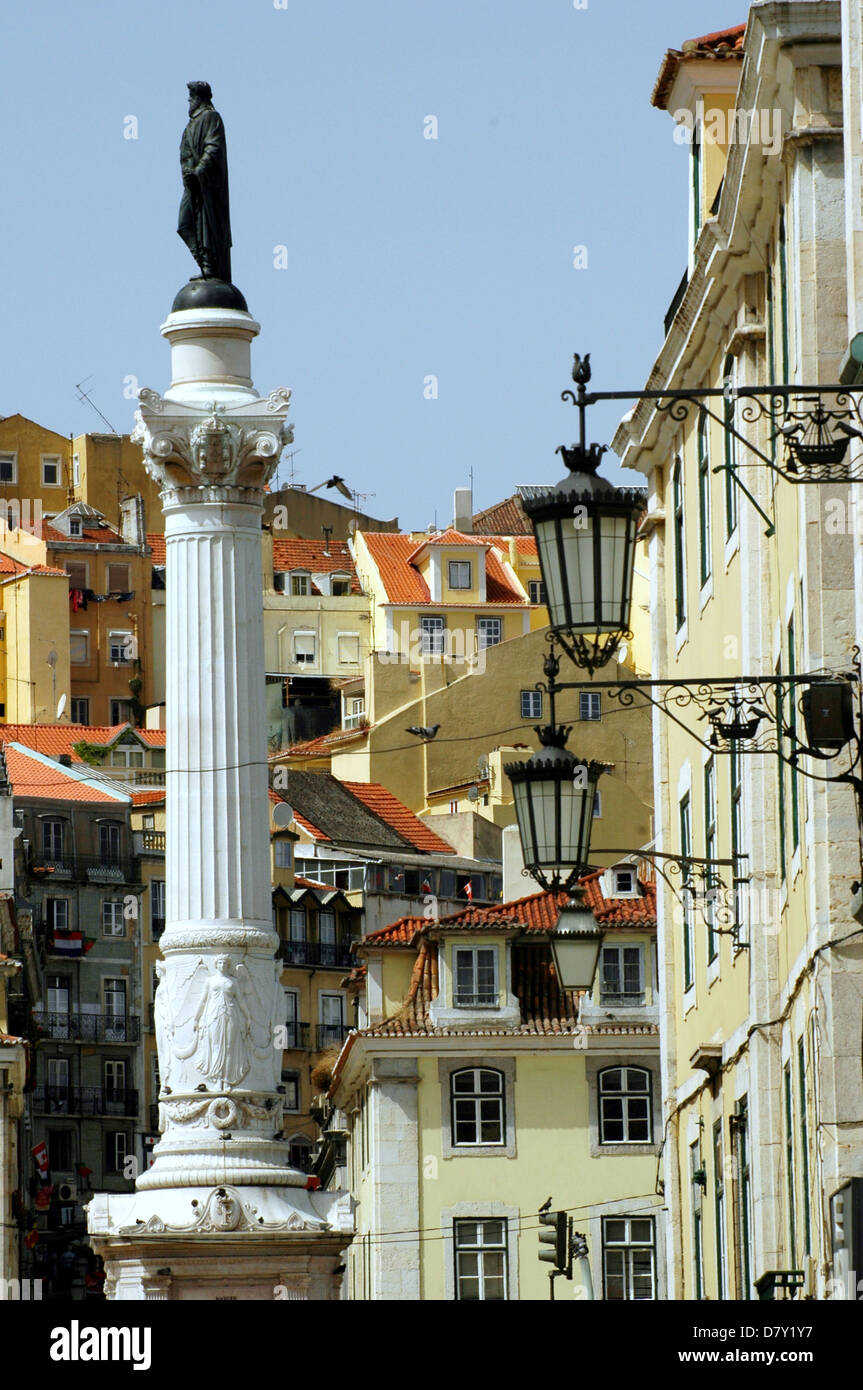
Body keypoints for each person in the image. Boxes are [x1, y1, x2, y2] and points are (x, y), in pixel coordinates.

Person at [177, 81, 232, 282]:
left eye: (192, 97)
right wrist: (187, 172)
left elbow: (213, 147)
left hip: (208, 185)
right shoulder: (190, 124)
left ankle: (210, 265)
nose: (189, 101)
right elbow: (184, 152)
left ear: (200, 98)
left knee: (207, 224)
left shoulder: (211, 118)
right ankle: (202, 260)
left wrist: (199, 171)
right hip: (192, 183)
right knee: (185, 224)